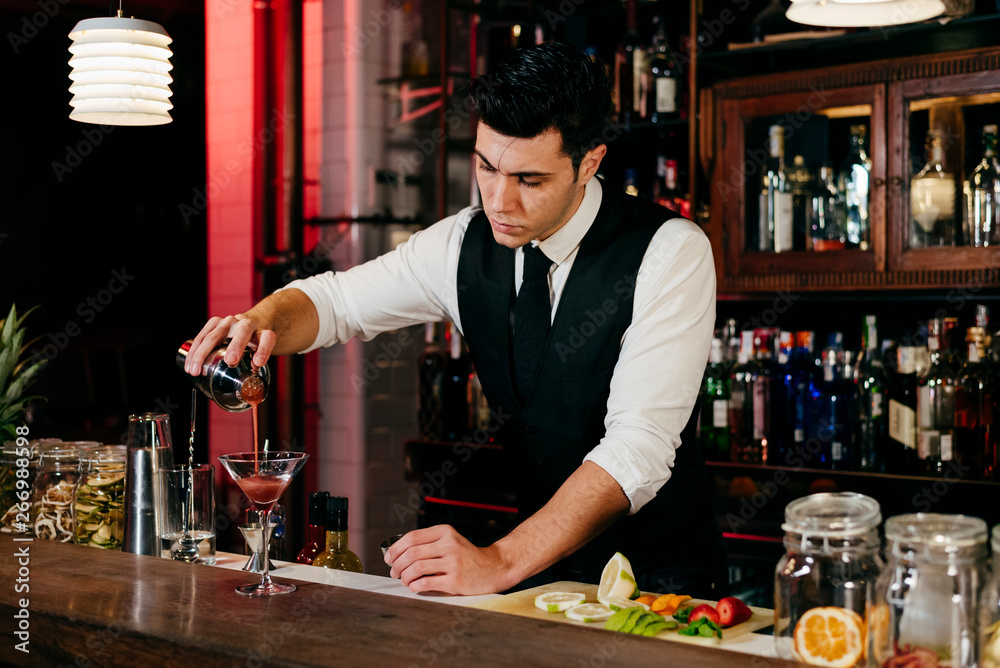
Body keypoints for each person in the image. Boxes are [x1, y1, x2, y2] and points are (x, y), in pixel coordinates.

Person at [184, 41, 725, 598]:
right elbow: (336, 303)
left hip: (661, 585)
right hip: (540, 580)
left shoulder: (669, 252)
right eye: (487, 167)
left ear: (589, 163)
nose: (499, 201)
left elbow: (638, 447)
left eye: (529, 180)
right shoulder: (462, 243)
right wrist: (258, 319)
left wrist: (498, 560)